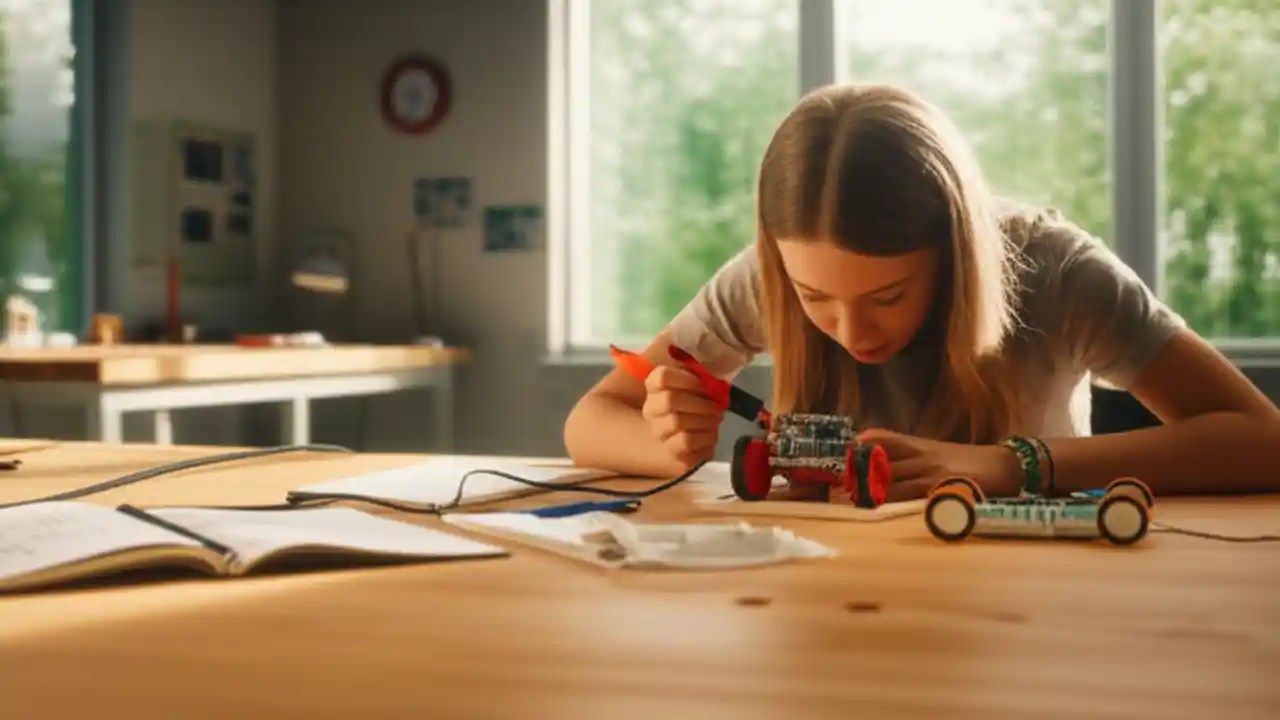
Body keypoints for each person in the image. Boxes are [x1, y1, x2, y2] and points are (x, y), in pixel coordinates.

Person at [563, 83, 1280, 501]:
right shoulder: (767, 275)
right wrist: (667, 445)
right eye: (816, 298)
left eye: (887, 295)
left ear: (956, 251)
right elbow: (591, 420)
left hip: (1032, 597)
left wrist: (1014, 463)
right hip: (820, 593)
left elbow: (1262, 442)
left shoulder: (1057, 272)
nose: (852, 331)